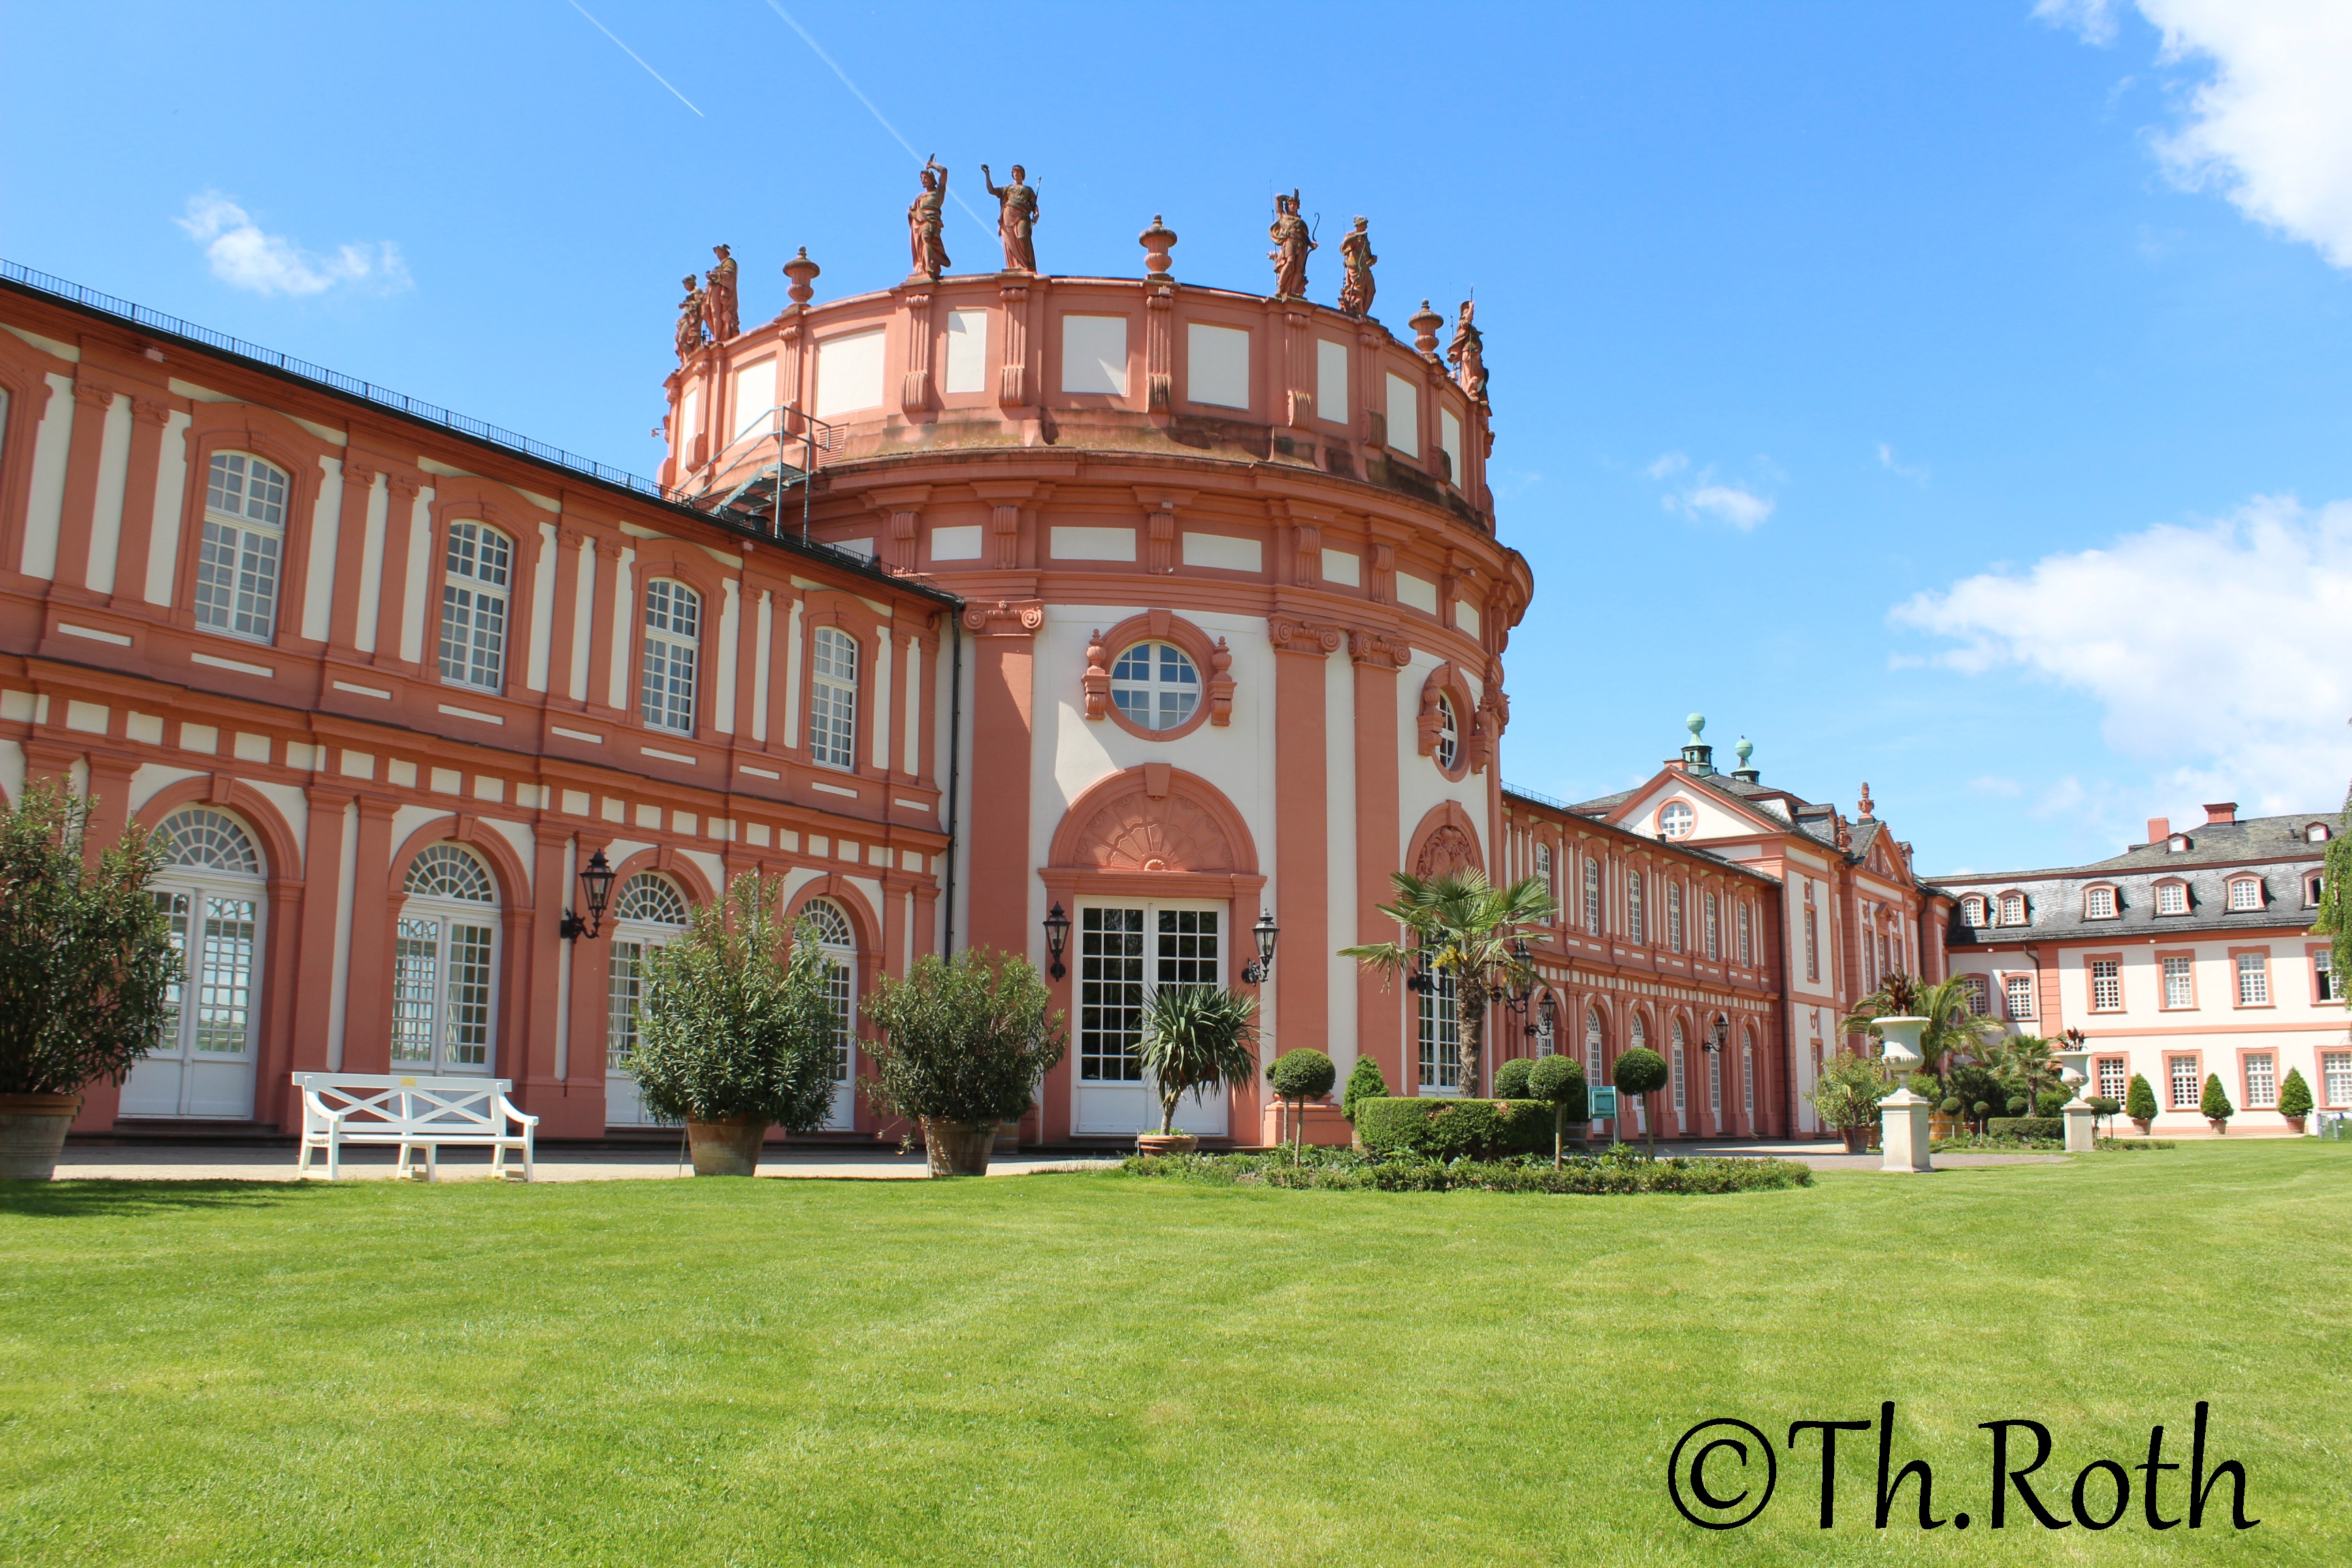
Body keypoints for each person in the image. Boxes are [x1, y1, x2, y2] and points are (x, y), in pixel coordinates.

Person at [981, 163, 1039, 272]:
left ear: (1023, 175)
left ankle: (1027, 264)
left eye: (1018, 172)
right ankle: (1014, 266)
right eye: (1014, 172)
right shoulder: (1008, 188)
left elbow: (1034, 205)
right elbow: (991, 190)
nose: (1016, 174)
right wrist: (987, 175)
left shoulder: (1027, 189)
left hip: (1023, 215)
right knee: (1010, 239)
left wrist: (1036, 213)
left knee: (1023, 237)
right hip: (1009, 213)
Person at [908, 157, 951, 278]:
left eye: (926, 178)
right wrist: (917, 215)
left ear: (932, 180)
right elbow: (911, 210)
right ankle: (927, 266)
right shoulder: (920, 197)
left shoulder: (938, 193)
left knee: (929, 241)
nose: (924, 181)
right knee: (925, 238)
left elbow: (944, 172)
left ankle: (930, 264)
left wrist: (932, 165)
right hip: (923, 222)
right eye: (922, 179)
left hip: (934, 222)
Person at [1268, 190, 1313, 299]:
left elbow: (1305, 236)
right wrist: (1290, 198)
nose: (1292, 206)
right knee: (1290, 262)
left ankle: (1293, 292)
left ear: (1298, 207)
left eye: (1295, 204)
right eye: (1291, 204)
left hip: (1301, 245)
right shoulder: (1283, 217)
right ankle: (1280, 288)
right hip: (1290, 242)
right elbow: (1278, 198)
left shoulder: (1300, 222)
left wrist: (1312, 244)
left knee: (1298, 268)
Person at [1337, 216, 1375, 316]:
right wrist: (1357, 236)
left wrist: (1372, 259)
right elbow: (1343, 248)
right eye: (1364, 224)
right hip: (1355, 266)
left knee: (1371, 290)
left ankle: (1364, 313)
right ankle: (1360, 312)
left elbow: (1368, 252)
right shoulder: (1351, 235)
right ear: (1359, 225)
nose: (1366, 226)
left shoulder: (1365, 238)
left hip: (1365, 267)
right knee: (1357, 293)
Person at [702, 244, 738, 342]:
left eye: (719, 251)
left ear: (725, 252)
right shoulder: (719, 264)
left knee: (715, 312)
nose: (717, 254)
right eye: (716, 252)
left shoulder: (729, 262)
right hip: (711, 289)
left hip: (719, 288)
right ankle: (716, 334)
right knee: (706, 313)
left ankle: (718, 337)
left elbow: (729, 274)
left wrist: (714, 275)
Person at [674, 274, 707, 363]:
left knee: (682, 340)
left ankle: (692, 360)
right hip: (685, 319)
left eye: (686, 284)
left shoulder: (697, 291)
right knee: (679, 340)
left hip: (691, 319)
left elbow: (698, 304)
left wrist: (686, 304)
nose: (685, 287)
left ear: (691, 283)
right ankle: (688, 360)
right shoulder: (690, 294)